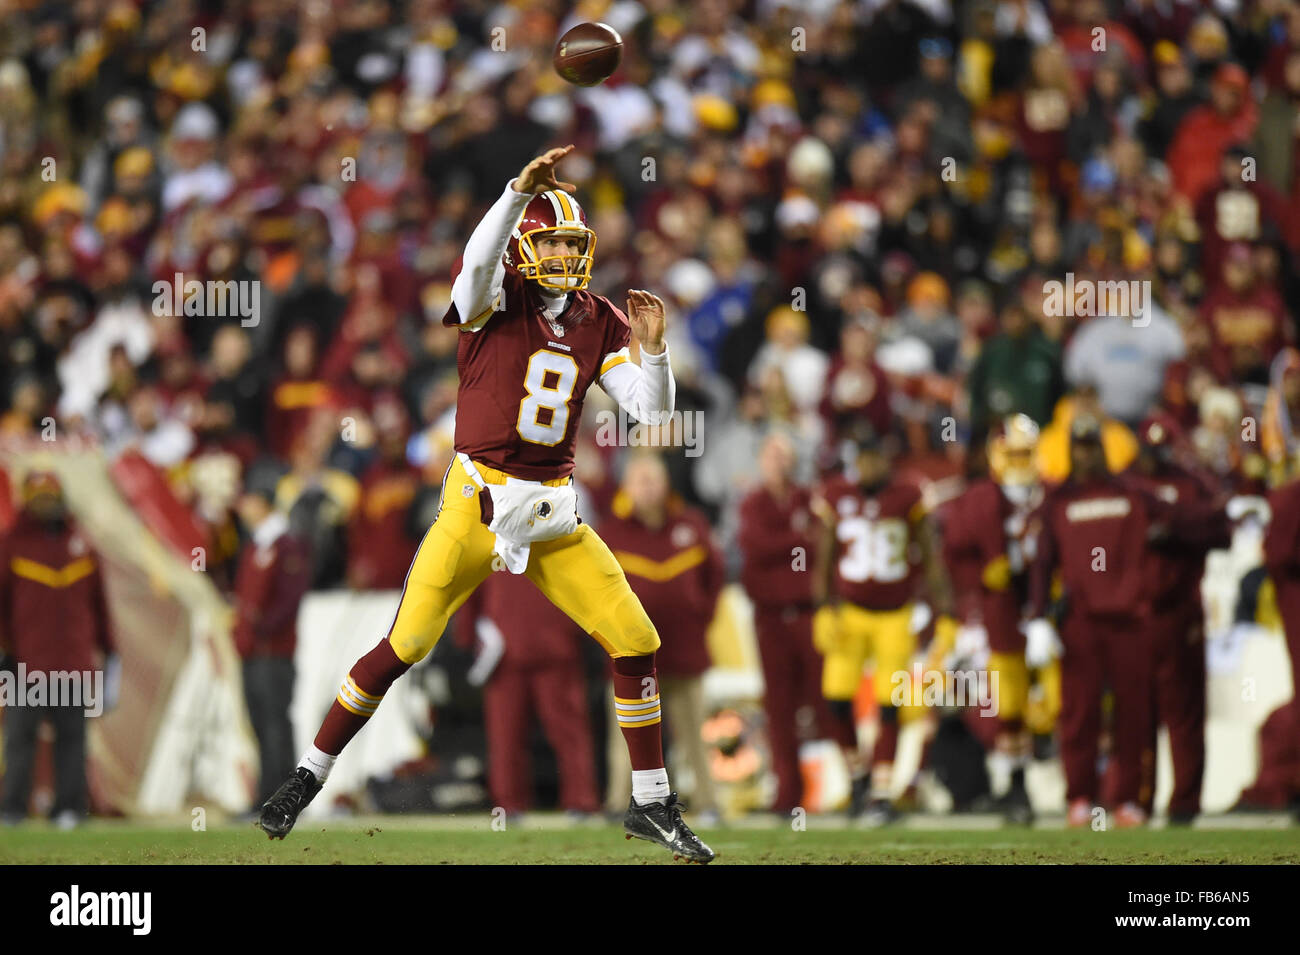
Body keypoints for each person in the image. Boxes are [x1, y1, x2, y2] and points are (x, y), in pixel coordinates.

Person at [257, 146, 714, 862]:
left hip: (553, 514)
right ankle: (307, 775)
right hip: (475, 502)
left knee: (638, 641)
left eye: (573, 241)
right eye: (552, 240)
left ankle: (652, 801)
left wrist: (655, 355)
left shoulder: (599, 318)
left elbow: (649, 415)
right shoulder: (495, 295)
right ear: (526, 244)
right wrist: (512, 193)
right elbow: (473, 265)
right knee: (405, 644)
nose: (565, 252)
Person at [1025, 414, 1167, 827]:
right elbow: (1042, 562)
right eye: (1080, 447)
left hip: (1129, 619)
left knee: (1133, 714)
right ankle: (1081, 797)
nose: (1086, 455)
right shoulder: (1058, 501)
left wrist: (1218, 514)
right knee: (1079, 714)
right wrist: (1037, 618)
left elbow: (1179, 523)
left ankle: (1126, 799)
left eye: (1091, 446)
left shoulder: (1134, 494)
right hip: (1081, 622)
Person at [811, 423, 954, 824]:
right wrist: (822, 606)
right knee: (837, 698)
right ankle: (858, 777)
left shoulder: (908, 495)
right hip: (851, 614)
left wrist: (946, 611)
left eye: (874, 458)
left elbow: (930, 556)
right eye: (863, 458)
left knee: (890, 704)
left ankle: (882, 791)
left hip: (895, 614)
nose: (869, 466)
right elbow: (823, 557)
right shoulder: (837, 495)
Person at [598, 452, 724, 823]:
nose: (647, 487)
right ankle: (618, 803)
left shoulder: (692, 524)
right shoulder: (611, 531)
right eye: (639, 479)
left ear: (666, 483)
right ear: (626, 486)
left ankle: (708, 802)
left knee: (694, 736)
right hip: (629, 657)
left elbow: (714, 578)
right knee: (625, 737)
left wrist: (700, 617)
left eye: (652, 479)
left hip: (684, 652)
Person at [941, 414, 1047, 823]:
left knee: (1059, 705)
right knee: (1006, 706)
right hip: (1000, 615)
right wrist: (980, 577)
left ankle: (1090, 793)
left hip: (1048, 614)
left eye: (1026, 453)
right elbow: (954, 553)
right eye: (1014, 453)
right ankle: (1014, 785)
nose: (1021, 462)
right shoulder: (981, 498)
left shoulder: (1048, 495)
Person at [1125, 415, 1229, 824]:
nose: (1157, 460)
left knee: (1184, 712)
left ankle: (1185, 804)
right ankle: (1136, 800)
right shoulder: (1122, 485)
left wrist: (1172, 526)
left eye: (1163, 451)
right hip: (1131, 614)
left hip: (1180, 610)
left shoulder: (1191, 482)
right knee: (1136, 713)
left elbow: (1221, 529)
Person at [0, 471, 117, 828]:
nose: (46, 502)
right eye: (39, 496)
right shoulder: (11, 544)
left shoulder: (82, 542)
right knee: (20, 739)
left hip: (73, 664)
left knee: (72, 741)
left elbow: (99, 605)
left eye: (50, 495)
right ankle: (11, 809)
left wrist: (111, 653)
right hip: (27, 663)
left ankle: (68, 808)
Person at [737, 432, 834, 814]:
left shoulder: (808, 498)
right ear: (762, 460)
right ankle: (787, 795)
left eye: (784, 455)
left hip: (809, 613)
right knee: (779, 708)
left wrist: (790, 543)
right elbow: (755, 544)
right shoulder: (755, 503)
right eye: (772, 455)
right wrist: (797, 539)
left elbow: (823, 542)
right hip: (772, 617)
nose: (778, 462)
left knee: (825, 701)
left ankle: (840, 785)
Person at [459, 570, 600, 819]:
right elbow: (471, 588)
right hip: (505, 657)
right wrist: (467, 637)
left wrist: (580, 634)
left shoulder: (559, 536)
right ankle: (508, 804)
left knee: (568, 733)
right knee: (506, 735)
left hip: (556, 652)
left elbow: (583, 588)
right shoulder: (489, 541)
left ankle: (581, 801)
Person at [233, 484, 311, 807]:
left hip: (274, 652)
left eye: (248, 499)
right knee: (261, 723)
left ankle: (281, 798)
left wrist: (260, 625)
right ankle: (266, 795)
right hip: (252, 651)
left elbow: (291, 598)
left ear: (263, 503)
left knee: (276, 723)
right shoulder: (255, 546)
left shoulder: (287, 545)